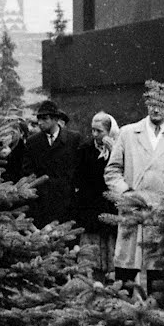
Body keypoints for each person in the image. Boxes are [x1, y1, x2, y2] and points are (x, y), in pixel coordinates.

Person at [104, 100, 164, 289]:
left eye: (162, 104)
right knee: (127, 267)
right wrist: (126, 193)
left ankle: (157, 312)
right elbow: (112, 171)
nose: (156, 109)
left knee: (159, 268)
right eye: (152, 104)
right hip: (133, 208)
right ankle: (122, 313)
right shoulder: (128, 132)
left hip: (163, 211)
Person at [22, 100, 83, 227]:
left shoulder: (73, 139)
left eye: (45, 119)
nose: (40, 123)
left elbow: (79, 167)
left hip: (66, 201)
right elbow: (28, 171)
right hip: (42, 203)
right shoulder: (33, 142)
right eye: (39, 119)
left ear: (55, 119)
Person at [73, 111, 119, 276]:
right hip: (91, 207)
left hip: (111, 207)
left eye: (99, 131)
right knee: (92, 258)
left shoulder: (118, 149)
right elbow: (79, 177)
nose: (95, 134)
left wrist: (112, 152)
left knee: (112, 254)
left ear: (109, 132)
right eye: (93, 130)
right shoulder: (85, 149)